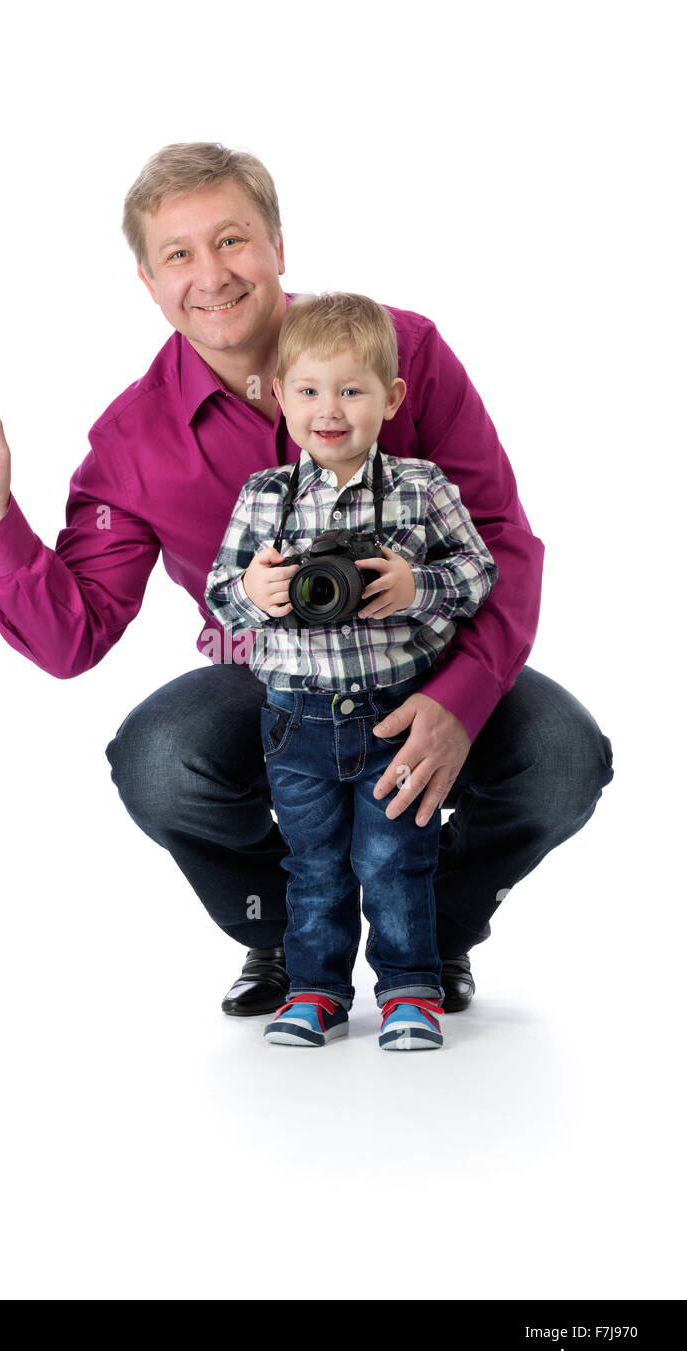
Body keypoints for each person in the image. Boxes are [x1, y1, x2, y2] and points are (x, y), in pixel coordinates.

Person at [0, 142, 614, 1019]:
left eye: (232, 240)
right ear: (149, 284)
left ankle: (425, 934)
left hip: (426, 660)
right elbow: (74, 639)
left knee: (565, 757)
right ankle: (288, 936)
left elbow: (504, 543)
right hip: (275, 686)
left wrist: (460, 700)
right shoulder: (133, 439)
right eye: (178, 255)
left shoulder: (403, 350)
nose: (212, 275)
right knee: (158, 757)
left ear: (277, 246)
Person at [205, 292, 499, 1048]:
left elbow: (479, 572)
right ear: (281, 397)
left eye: (351, 389)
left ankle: (409, 991)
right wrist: (255, 593)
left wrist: (414, 586)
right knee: (314, 865)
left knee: (396, 856)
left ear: (391, 397)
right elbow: (219, 596)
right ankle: (316, 992)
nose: (327, 409)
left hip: (392, 712)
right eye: (307, 390)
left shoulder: (422, 487)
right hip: (293, 717)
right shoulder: (263, 499)